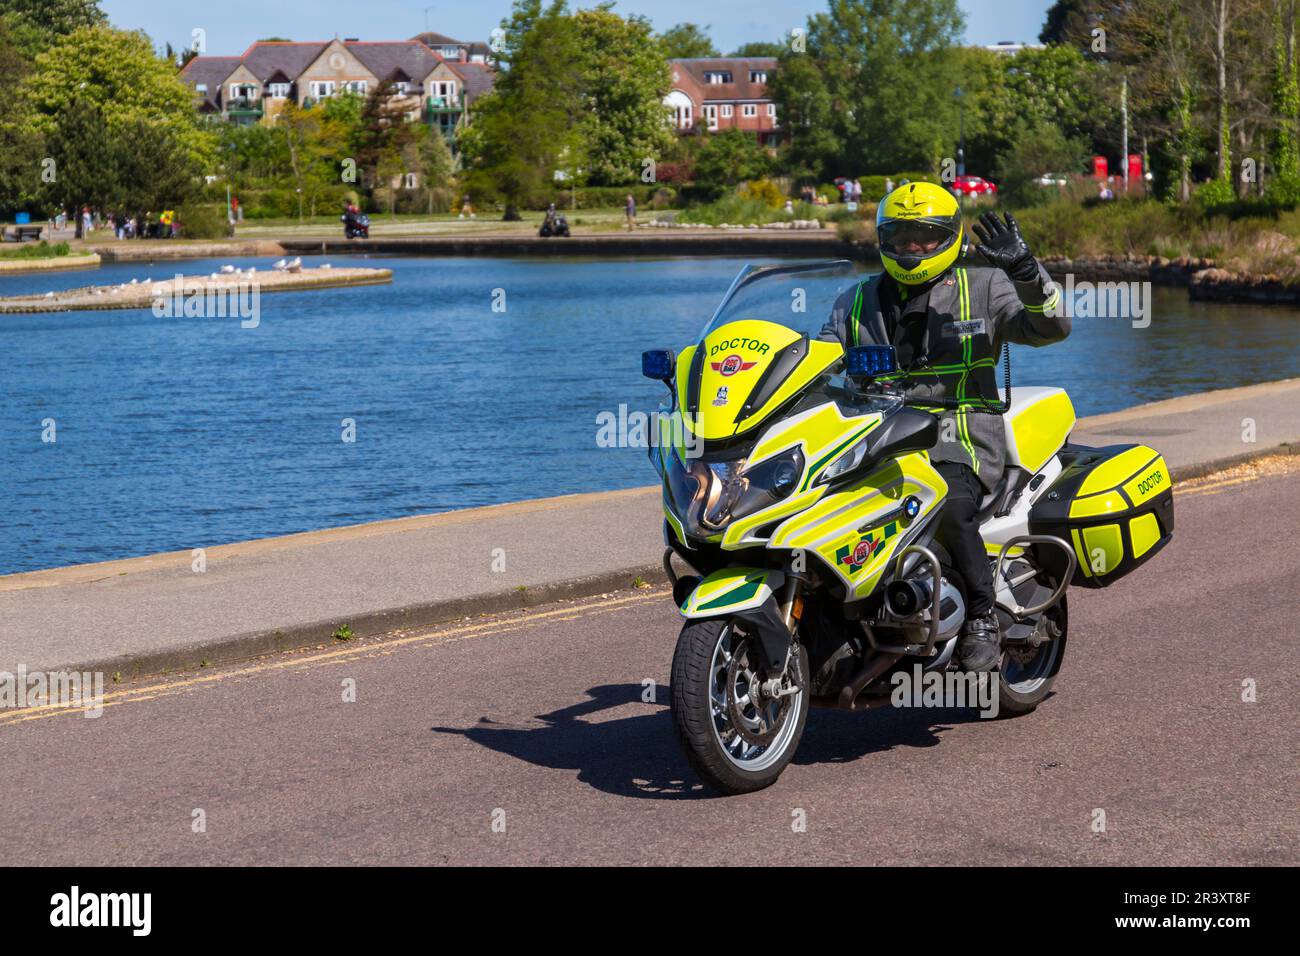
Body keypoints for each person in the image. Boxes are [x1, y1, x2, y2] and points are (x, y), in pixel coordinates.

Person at [819, 181, 1070, 671]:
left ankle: (981, 615)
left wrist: (1024, 270)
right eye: (901, 237)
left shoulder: (984, 286)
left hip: (960, 436)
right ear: (883, 239)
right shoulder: (853, 301)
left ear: (949, 237)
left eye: (925, 238)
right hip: (874, 439)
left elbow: (1052, 327)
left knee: (947, 501)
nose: (912, 249)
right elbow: (817, 364)